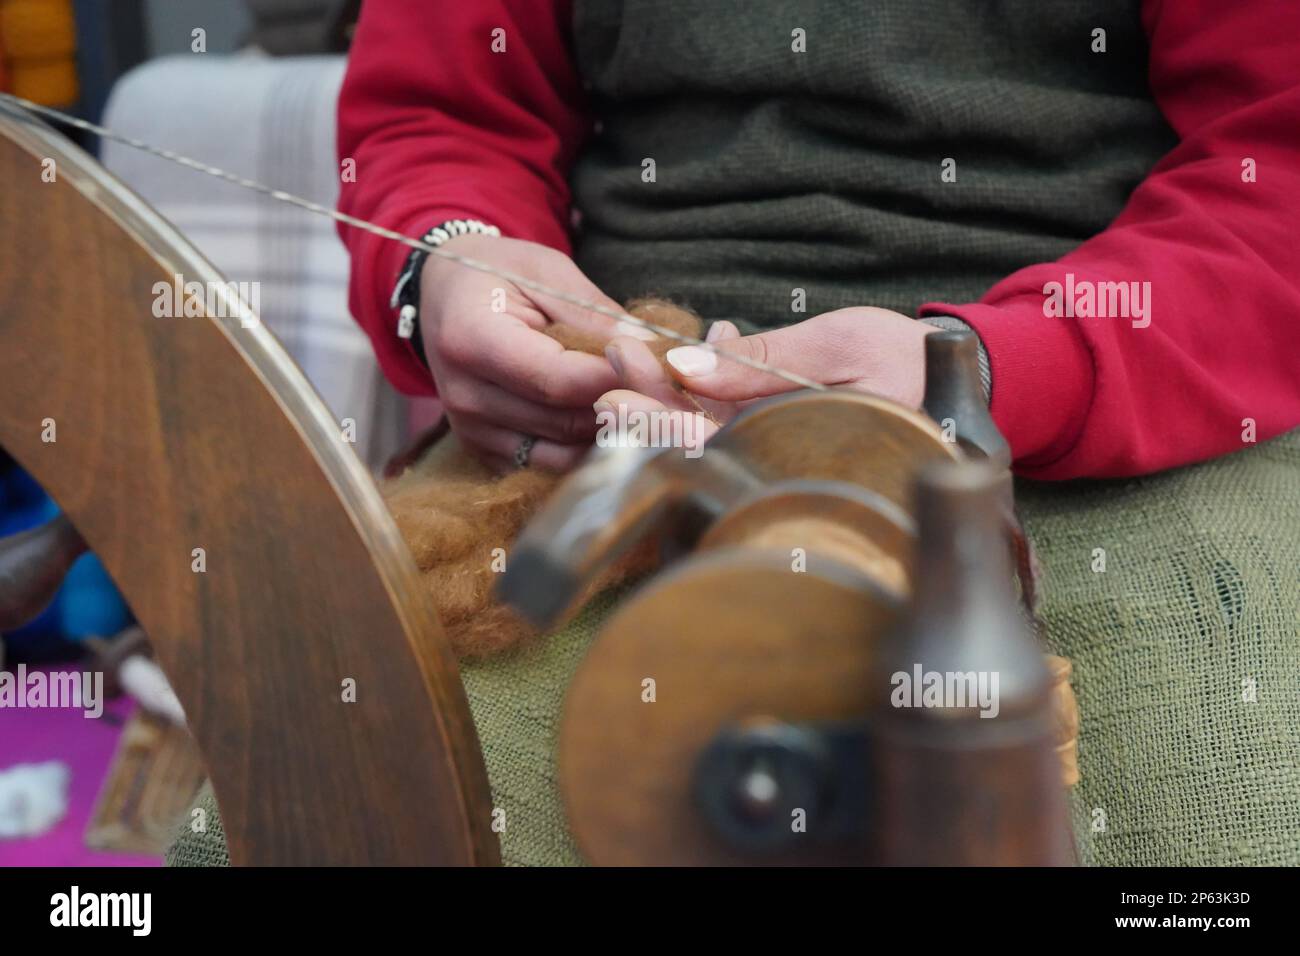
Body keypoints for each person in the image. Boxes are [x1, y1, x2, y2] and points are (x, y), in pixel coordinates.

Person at [335, 0, 1300, 866]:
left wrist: (1005, 362)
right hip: (610, 415)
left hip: (1141, 387)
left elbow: (1277, 168)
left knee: (1226, 797)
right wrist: (445, 260)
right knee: (336, 795)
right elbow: (439, 117)